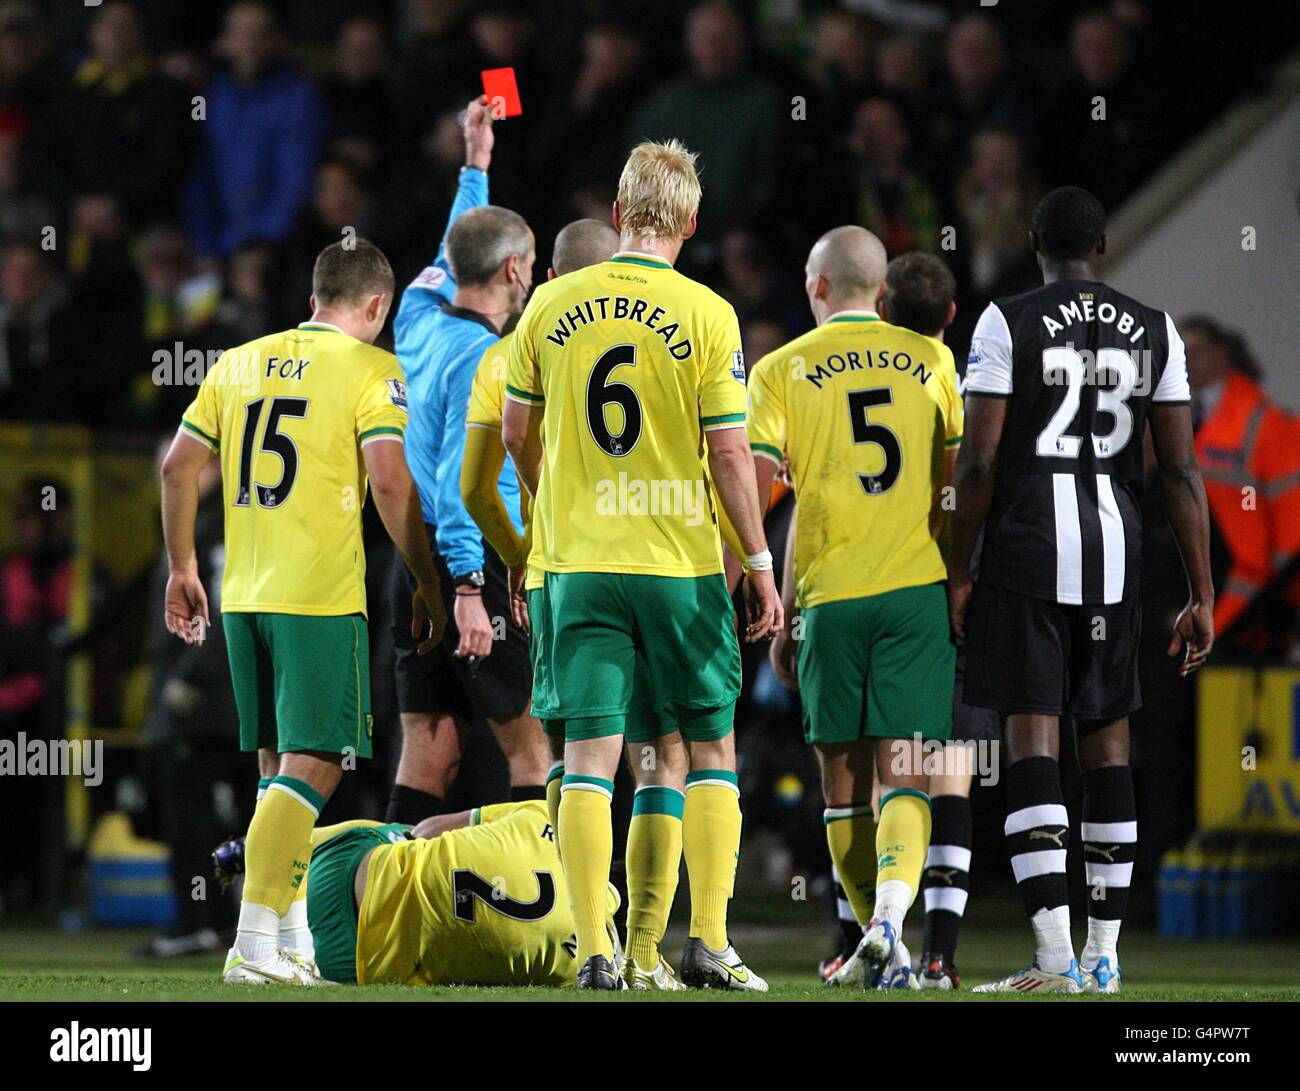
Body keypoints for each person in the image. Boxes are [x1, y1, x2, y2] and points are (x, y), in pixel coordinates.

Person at [502, 139, 782, 990]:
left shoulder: (549, 305)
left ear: (620, 215)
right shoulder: (708, 312)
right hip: (677, 564)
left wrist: (556, 505)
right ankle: (703, 940)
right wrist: (761, 563)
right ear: (691, 221)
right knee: (700, 747)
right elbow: (732, 455)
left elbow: (518, 432)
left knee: (589, 754)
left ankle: (596, 948)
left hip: (578, 561)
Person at [947, 186, 1214, 994]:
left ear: (1035, 244)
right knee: (1108, 749)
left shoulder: (1005, 321)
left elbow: (979, 462)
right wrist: (1202, 591)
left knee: (1032, 744)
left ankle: (1055, 955)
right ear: (1102, 246)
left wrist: (960, 567)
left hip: (1029, 557)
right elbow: (1179, 468)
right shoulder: (1155, 327)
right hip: (1116, 562)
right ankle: (1103, 955)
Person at [160, 237, 445, 986]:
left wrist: (182, 567)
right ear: (378, 305)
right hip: (317, 596)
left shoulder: (237, 361)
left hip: (242, 598)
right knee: (314, 766)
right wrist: (425, 576)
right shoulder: (373, 369)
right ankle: (251, 942)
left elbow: (176, 468)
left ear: (315, 295)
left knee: (274, 774)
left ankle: (290, 940)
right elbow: (390, 483)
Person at [752, 229, 962, 990]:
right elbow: (959, 485)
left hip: (829, 600)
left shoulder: (778, 370)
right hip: (915, 590)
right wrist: (959, 580)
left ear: (814, 288)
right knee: (906, 773)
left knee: (840, 785)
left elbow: (773, 493)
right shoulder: (935, 362)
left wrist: (772, 592)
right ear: (881, 293)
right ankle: (890, 929)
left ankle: (875, 931)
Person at [389, 95, 547, 826]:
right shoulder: (484, 357)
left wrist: (475, 164)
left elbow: (455, 248)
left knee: (428, 744)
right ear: (516, 270)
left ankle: (382, 913)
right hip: (470, 556)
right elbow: (464, 481)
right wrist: (471, 586)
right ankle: (546, 921)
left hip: (408, 553)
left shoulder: (415, 313)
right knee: (529, 746)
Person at [460, 217, 619, 833]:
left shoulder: (507, 356)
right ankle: (663, 919)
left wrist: (520, 552)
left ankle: (568, 910)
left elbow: (475, 489)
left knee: (568, 747)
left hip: (559, 570)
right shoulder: (672, 338)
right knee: (659, 753)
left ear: (549, 278)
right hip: (659, 563)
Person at [212, 801, 619, 987]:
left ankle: (260, 849)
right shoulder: (577, 968)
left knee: (398, 831)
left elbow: (432, 826)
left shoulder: (545, 814)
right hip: (357, 962)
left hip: (345, 870)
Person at [1182, 316, 1300, 641]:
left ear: (1222, 354)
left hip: (1243, 582)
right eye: (1181, 350)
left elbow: (1251, 499)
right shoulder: (1179, 412)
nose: (1188, 359)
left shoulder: (1258, 420)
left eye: (1197, 350)